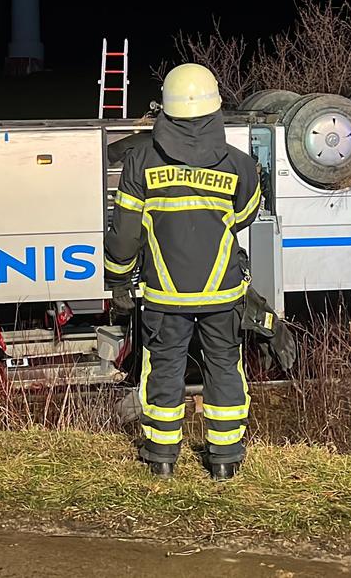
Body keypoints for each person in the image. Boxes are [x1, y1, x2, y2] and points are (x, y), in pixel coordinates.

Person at [103, 63, 261, 480]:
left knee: (165, 366)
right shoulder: (240, 165)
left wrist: (118, 278)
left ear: (165, 110)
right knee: (224, 366)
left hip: (164, 295)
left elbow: (124, 234)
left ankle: (161, 458)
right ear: (214, 109)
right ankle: (224, 460)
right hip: (222, 293)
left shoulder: (139, 162)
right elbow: (244, 216)